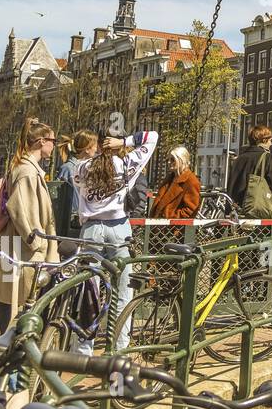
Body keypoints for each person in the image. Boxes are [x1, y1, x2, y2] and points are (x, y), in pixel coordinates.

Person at [72, 127, 158, 354]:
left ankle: (83, 349)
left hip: (91, 230)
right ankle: (119, 347)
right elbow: (152, 137)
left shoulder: (80, 168)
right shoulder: (126, 164)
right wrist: (124, 142)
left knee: (88, 288)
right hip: (120, 229)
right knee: (123, 290)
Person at [0, 119, 59, 340]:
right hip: (23, 246)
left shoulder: (24, 168)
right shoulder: (27, 171)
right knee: (16, 300)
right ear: (41, 141)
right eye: (52, 140)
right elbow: (20, 208)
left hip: (15, 243)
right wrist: (37, 242)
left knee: (7, 299)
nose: (54, 145)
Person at [227, 125, 272, 214]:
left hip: (237, 211)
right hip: (258, 211)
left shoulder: (239, 159)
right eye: (270, 140)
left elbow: (231, 186)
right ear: (264, 140)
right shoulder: (269, 158)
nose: (271, 143)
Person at [56, 131, 97, 232]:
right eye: (95, 146)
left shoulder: (92, 169)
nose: (97, 149)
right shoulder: (68, 169)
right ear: (87, 149)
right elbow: (59, 200)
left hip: (88, 222)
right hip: (72, 225)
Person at [149, 146, 201, 220]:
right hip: (158, 226)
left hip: (173, 228)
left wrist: (170, 217)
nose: (169, 162)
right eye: (168, 160)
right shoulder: (169, 178)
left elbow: (191, 210)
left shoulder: (191, 181)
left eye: (173, 159)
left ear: (182, 160)